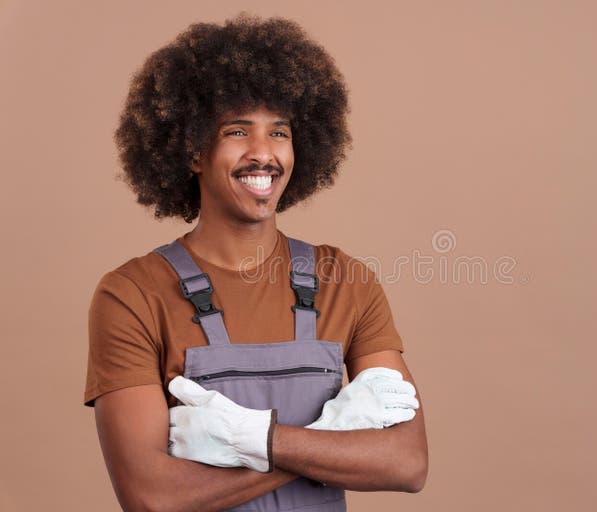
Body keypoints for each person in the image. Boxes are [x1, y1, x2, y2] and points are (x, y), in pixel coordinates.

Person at [84, 15, 428, 512]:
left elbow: (406, 461)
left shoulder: (345, 281)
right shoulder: (132, 294)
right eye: (237, 131)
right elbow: (152, 497)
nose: (263, 154)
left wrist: (252, 438)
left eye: (280, 132)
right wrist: (330, 438)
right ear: (193, 150)